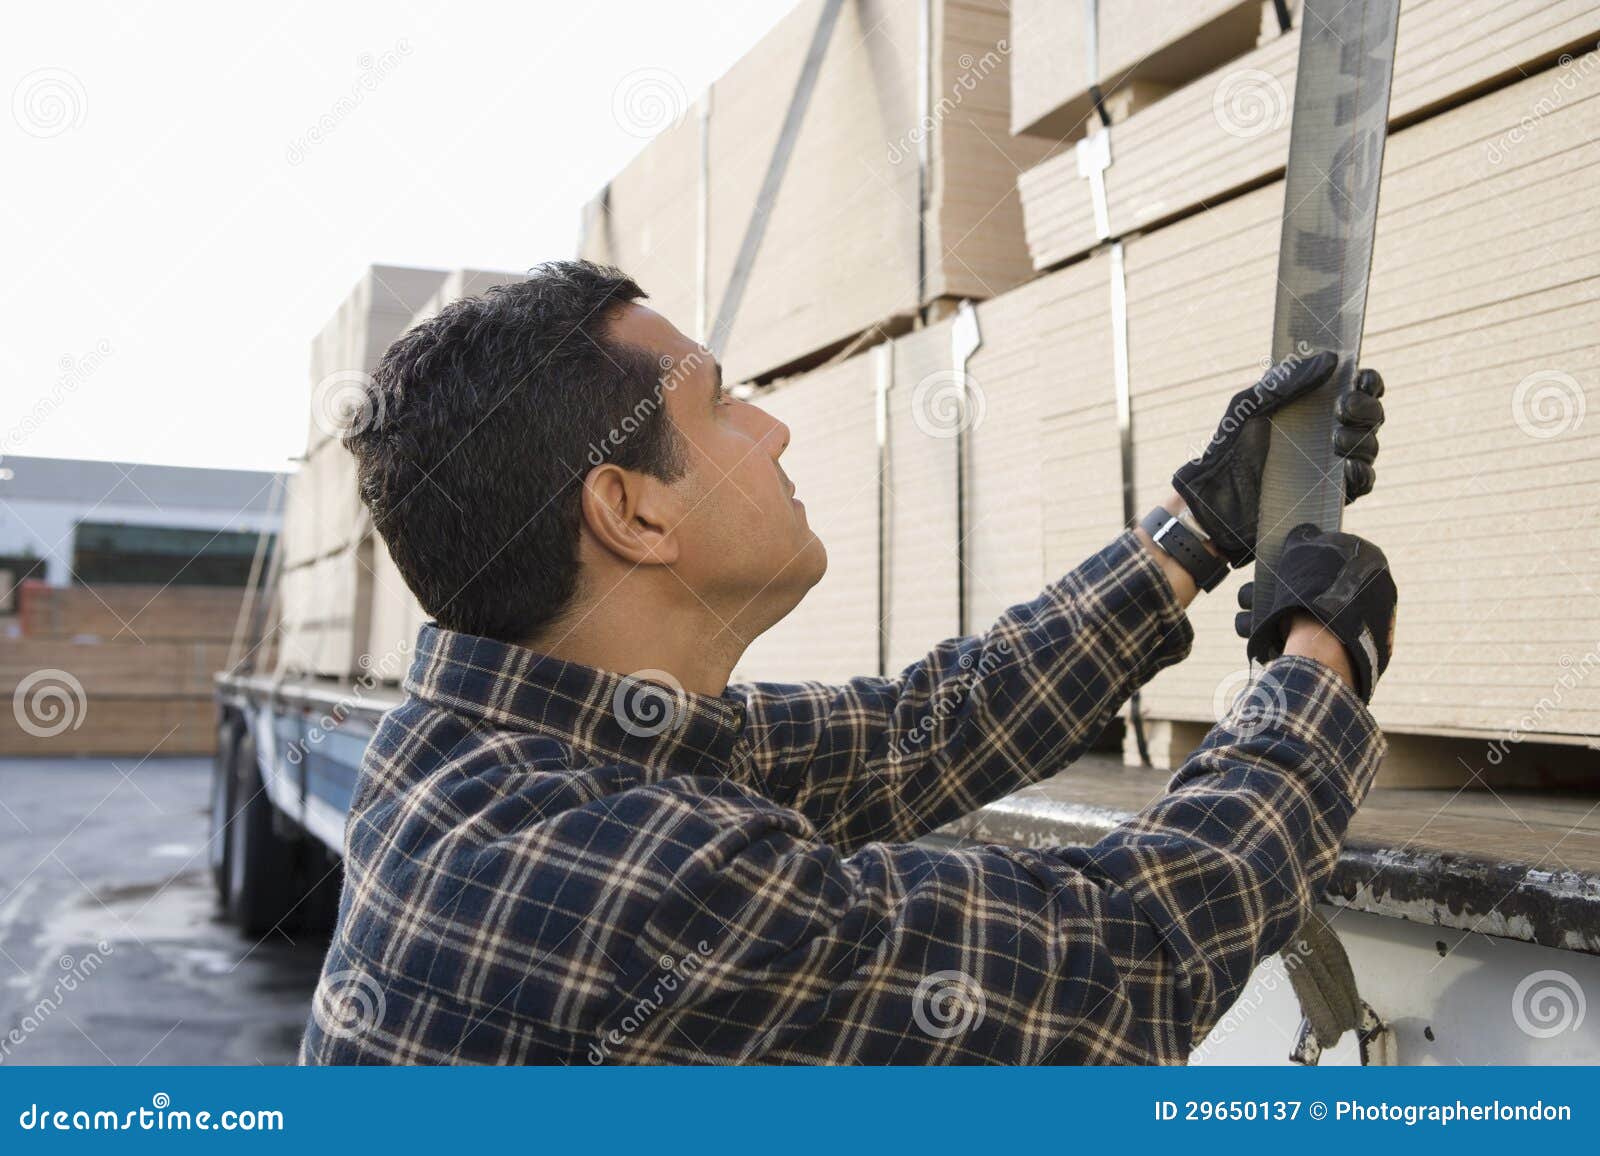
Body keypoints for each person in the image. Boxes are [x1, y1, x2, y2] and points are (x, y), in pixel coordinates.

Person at [300, 260, 1394, 1065]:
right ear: (629, 512)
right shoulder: (628, 884)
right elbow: (1117, 963)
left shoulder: (492, 746)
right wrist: (1320, 659)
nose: (771, 430)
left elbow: (917, 733)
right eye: (723, 405)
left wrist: (1197, 527)